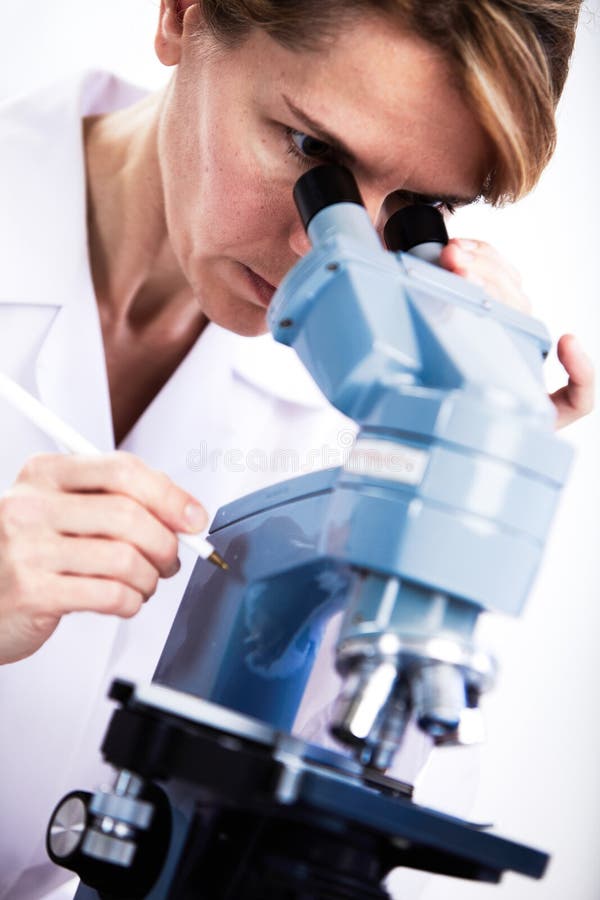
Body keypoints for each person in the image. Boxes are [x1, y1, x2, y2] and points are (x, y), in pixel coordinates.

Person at [0, 1, 594, 897]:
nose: (315, 249)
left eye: (415, 209)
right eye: (314, 155)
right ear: (180, 17)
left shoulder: (377, 385)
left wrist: (451, 468)